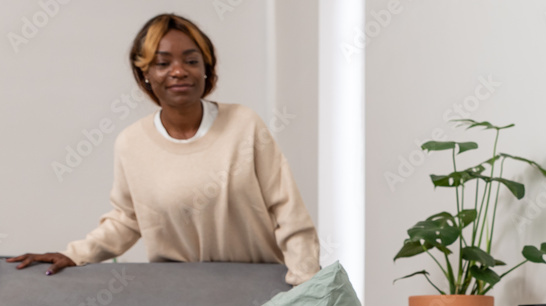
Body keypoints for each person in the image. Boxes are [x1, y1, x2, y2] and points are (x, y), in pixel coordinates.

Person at [7, 14, 319, 285]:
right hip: (177, 293)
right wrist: (72, 254)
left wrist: (307, 286)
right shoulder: (132, 143)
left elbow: (288, 213)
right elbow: (127, 220)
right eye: (163, 63)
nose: (179, 71)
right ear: (145, 73)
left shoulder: (244, 125)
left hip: (258, 287)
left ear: (206, 69)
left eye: (191, 60)